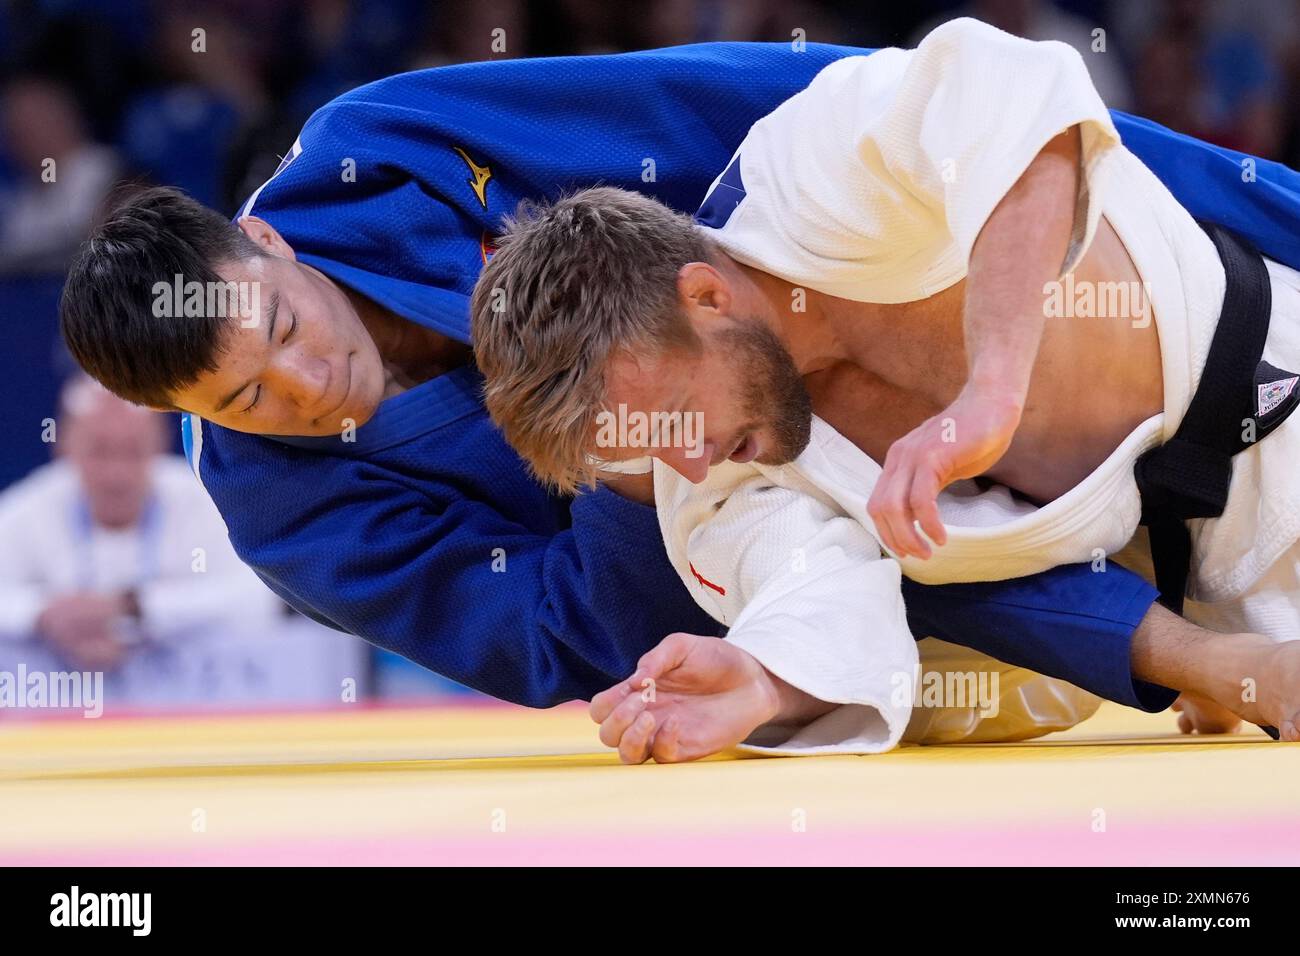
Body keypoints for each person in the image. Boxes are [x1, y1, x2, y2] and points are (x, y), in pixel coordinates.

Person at [56, 37, 1294, 748]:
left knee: (1006, 169)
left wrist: (1222, 193)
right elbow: (563, 638)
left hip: (794, 301)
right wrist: (633, 455)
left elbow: (745, 103)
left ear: (263, 242)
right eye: (245, 403)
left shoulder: (383, 147)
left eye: (281, 329)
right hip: (761, 527)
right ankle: (1197, 645)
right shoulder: (284, 512)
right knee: (866, 533)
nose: (307, 380)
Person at [470, 19, 1300, 760]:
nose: (683, 463)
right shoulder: (713, 486)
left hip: (1274, 387)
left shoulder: (810, 169)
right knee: (925, 626)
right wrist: (763, 678)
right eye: (649, 449)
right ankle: (1215, 664)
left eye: (673, 420)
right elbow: (811, 590)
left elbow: (1020, 94)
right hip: (1210, 592)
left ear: (706, 297)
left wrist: (992, 387)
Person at [0, 377, 285, 708]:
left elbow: (258, 600)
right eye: (100, 450)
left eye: (132, 451)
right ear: (64, 446)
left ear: (159, 444)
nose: (116, 474)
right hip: (56, 719)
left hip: (192, 715)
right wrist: (43, 615)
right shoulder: (27, 509)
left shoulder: (203, 503)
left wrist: (136, 608)